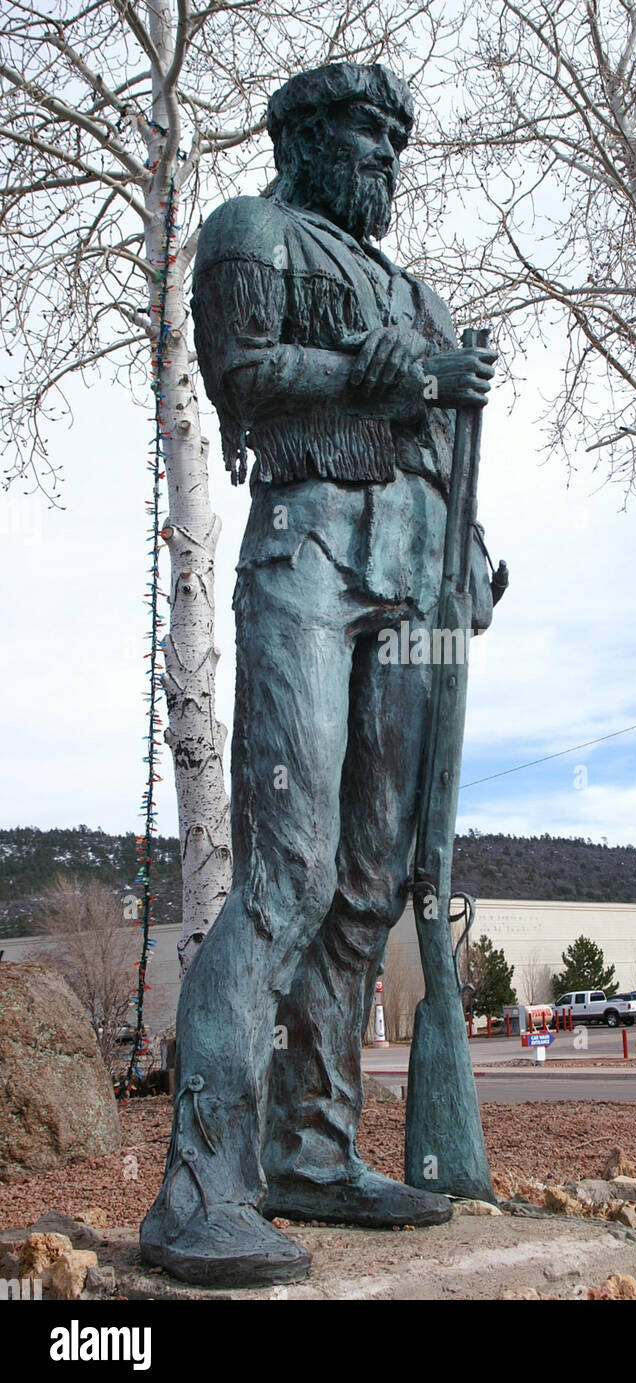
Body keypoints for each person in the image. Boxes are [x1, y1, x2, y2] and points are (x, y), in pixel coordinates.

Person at [140, 62, 498, 1287]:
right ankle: (201, 1188)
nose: (384, 166)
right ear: (303, 139)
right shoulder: (253, 233)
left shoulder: (424, 297)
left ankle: (313, 1149)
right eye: (365, 144)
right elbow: (240, 374)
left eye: (397, 151)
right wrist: (378, 374)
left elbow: (452, 454)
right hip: (306, 564)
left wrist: (477, 567)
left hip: (416, 594)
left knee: (373, 883)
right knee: (286, 872)